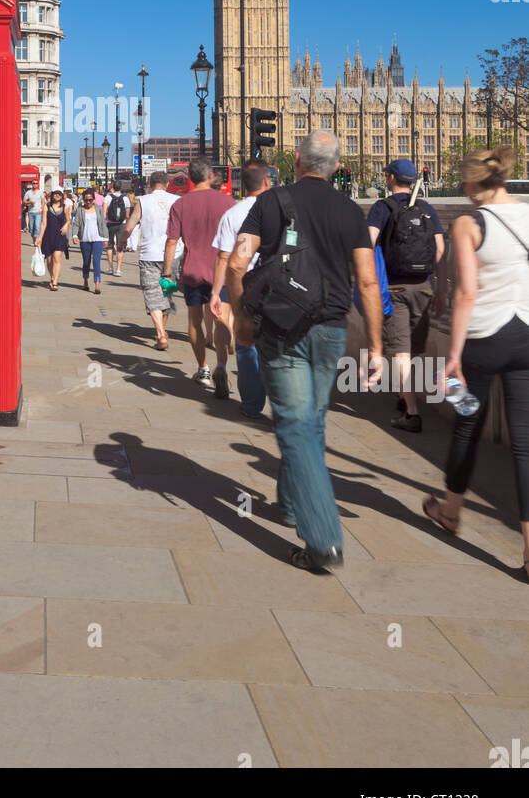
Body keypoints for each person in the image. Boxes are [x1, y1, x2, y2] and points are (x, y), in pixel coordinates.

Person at [228, 131, 383, 573]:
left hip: (281, 328)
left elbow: (238, 262)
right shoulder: (350, 210)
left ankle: (323, 541)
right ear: (336, 167)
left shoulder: (271, 202)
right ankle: (292, 505)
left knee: (296, 425)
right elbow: (367, 281)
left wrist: (241, 318)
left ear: (296, 161)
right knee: (309, 421)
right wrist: (376, 345)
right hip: (331, 329)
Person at [423, 147, 529, 579]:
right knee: (525, 444)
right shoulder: (527, 214)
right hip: (525, 338)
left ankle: (450, 513)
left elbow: (465, 293)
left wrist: (453, 357)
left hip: (482, 343)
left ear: (469, 183)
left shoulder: (469, 222)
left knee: (466, 426)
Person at [368, 158, 446, 433]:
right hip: (424, 287)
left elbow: (368, 244)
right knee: (413, 351)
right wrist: (440, 289)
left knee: (400, 353)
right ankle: (404, 396)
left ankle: (411, 413)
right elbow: (440, 249)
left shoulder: (382, 207)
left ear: (391, 178)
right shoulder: (426, 208)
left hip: (395, 289)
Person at [163, 157, 235, 392]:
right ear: (210, 176)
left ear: (191, 179)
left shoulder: (180, 205)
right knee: (221, 318)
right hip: (221, 271)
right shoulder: (228, 202)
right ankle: (221, 365)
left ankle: (203, 368)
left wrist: (166, 274)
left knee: (195, 322)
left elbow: (172, 242)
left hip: (193, 271)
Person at [210, 159, 273, 416]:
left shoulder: (233, 214)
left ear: (242, 184)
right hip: (275, 285)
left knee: (246, 343)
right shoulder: (280, 210)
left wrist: (216, 292)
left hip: (243, 285)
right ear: (267, 181)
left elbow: (224, 257)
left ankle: (251, 405)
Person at [125, 172, 182, 350]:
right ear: (167, 184)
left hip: (149, 254)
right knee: (166, 293)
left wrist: (121, 242)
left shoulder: (143, 201)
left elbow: (130, 226)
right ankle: (162, 330)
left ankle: (160, 334)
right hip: (174, 254)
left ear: (150, 184)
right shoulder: (177, 200)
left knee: (152, 293)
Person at [71, 188, 108, 293]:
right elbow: (76, 223)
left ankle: (97, 284)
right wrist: (74, 235)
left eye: (90, 200)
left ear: (93, 199)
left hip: (98, 238)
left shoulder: (99, 208)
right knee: (86, 262)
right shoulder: (80, 209)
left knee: (96, 261)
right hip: (85, 238)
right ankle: (85, 281)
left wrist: (106, 238)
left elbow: (103, 223)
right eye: (86, 200)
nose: (88, 202)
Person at [37, 188, 70, 291]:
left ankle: (55, 282)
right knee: (49, 260)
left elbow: (68, 220)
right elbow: (43, 223)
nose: (57, 195)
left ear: (62, 195)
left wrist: (66, 226)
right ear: (52, 195)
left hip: (60, 235)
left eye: (59, 194)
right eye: (55, 193)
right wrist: (40, 237)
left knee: (57, 258)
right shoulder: (46, 206)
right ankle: (52, 276)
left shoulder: (65, 207)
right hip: (48, 235)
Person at [104, 181, 128, 276]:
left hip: (110, 223)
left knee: (109, 246)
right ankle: (118, 269)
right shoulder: (125, 198)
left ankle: (110, 268)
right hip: (121, 224)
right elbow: (127, 214)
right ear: (121, 188)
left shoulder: (108, 198)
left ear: (113, 187)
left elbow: (104, 212)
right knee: (120, 246)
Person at [23, 179, 44, 246]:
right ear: (32, 184)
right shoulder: (28, 192)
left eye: (36, 183)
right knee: (31, 228)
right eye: (34, 183)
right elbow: (24, 201)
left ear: (37, 184)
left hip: (38, 212)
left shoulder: (40, 192)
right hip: (31, 212)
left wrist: (41, 209)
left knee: (37, 227)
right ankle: (34, 241)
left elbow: (43, 202)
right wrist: (30, 202)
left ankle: (37, 241)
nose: (35, 184)